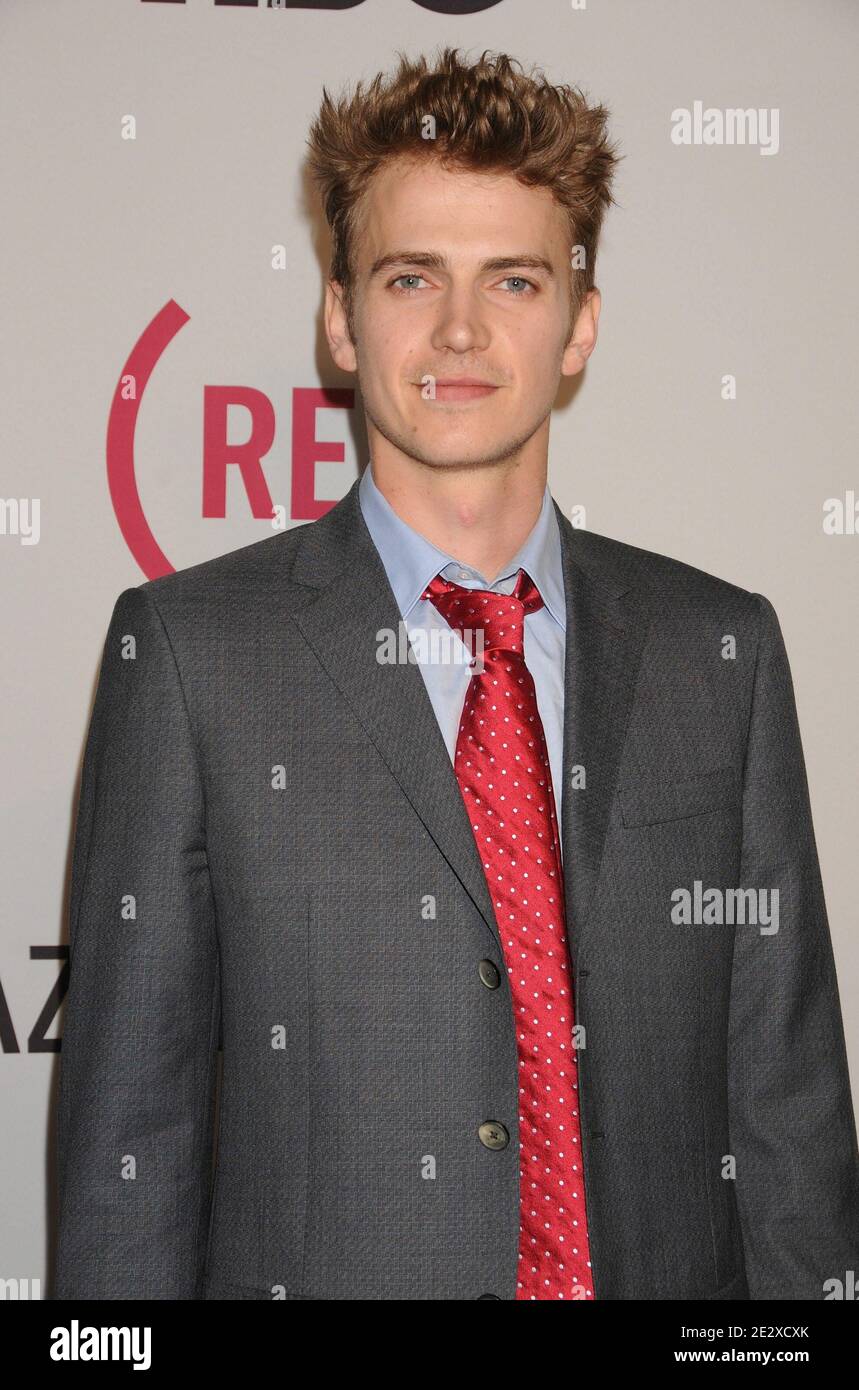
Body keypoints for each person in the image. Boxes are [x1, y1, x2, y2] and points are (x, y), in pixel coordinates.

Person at [54, 46, 858, 1301]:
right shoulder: (192, 654)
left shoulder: (723, 650)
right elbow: (128, 1154)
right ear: (339, 315)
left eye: (516, 280)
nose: (462, 330)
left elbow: (786, 1116)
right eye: (411, 275)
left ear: (580, 321)